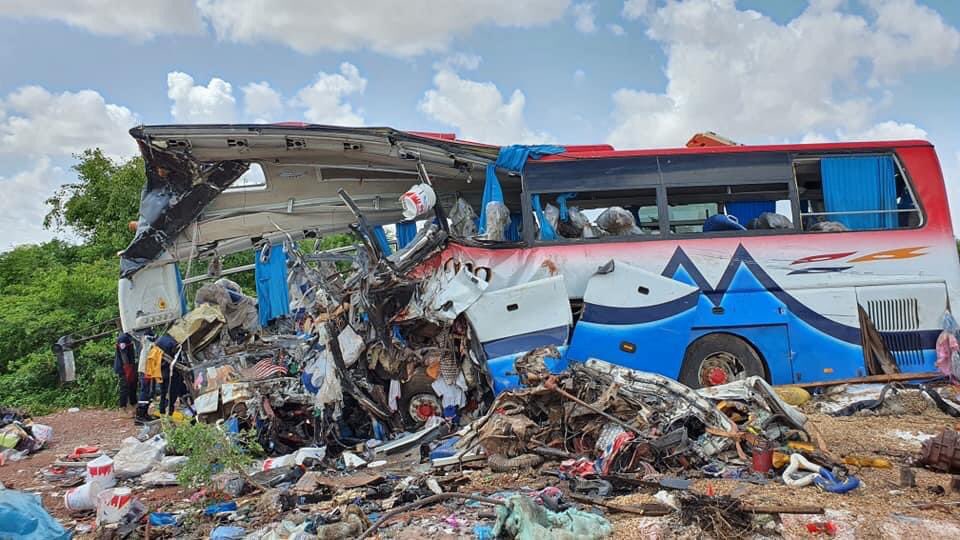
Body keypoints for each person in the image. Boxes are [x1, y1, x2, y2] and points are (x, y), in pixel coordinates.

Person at [113, 333, 138, 410]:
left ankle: (133, 405)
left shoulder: (130, 336)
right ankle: (122, 408)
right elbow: (123, 354)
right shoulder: (123, 338)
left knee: (132, 386)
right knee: (124, 387)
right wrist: (127, 367)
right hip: (124, 368)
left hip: (130, 366)